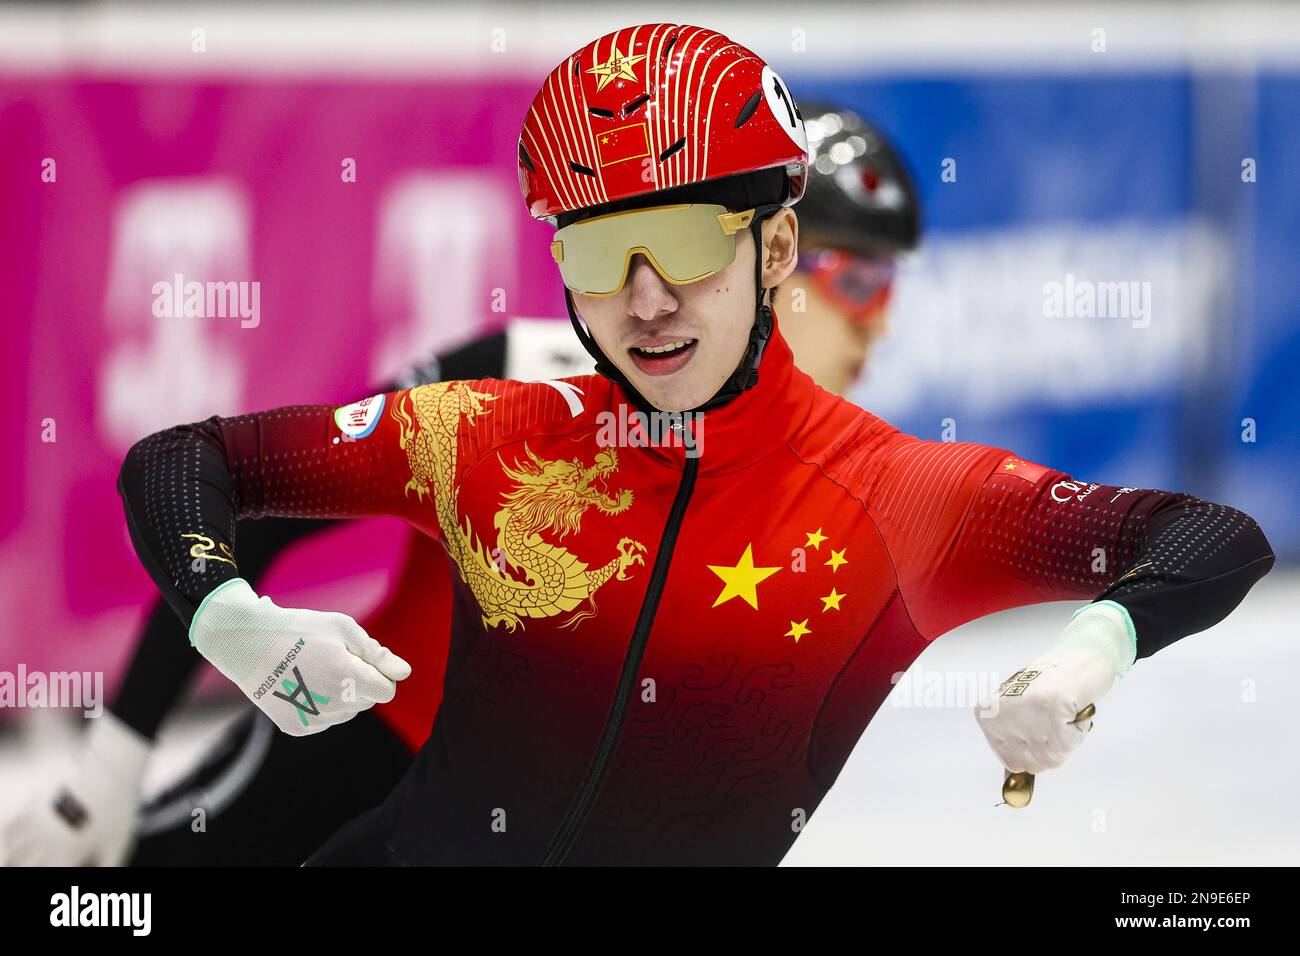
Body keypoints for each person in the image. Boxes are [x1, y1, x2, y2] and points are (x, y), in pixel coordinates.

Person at [112, 23, 1272, 866]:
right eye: (601, 257)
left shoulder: (891, 490)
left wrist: (1095, 645)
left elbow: (1207, 539)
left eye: (684, 245)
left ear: (767, 248)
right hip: (346, 762)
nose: (647, 298)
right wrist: (153, 704)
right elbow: (217, 474)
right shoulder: (507, 402)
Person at [1, 101, 921, 867]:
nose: (878, 326)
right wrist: (109, 772)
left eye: (892, 288)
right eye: (859, 279)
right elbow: (243, 503)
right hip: (339, 772)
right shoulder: (530, 378)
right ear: (773, 256)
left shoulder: (830, 489)